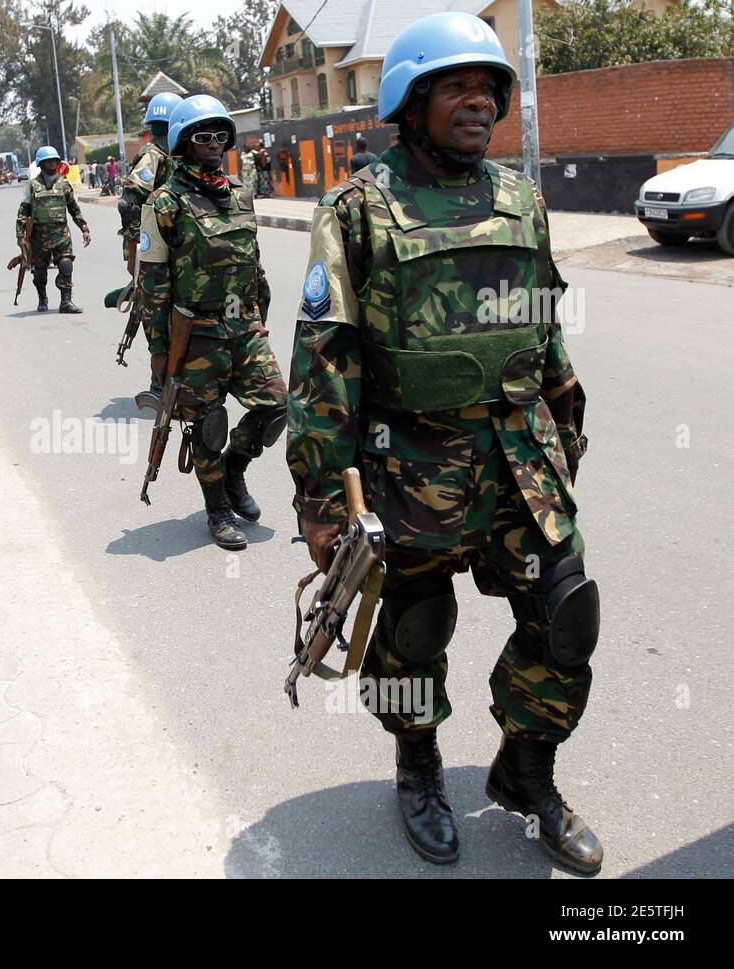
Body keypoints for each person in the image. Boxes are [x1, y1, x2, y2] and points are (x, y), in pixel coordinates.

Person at [288, 12, 602, 874]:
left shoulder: (519, 198)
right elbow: (324, 361)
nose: (478, 101)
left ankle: (526, 769)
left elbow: (545, 329)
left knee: (567, 616)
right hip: (408, 473)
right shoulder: (358, 210)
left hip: (518, 463)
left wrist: (565, 428)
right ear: (412, 99)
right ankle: (417, 763)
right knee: (414, 631)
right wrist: (322, 499)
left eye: (489, 87)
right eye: (457, 86)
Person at [137, 95, 288, 551]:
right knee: (207, 425)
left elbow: (253, 263)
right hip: (196, 334)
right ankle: (217, 507)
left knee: (276, 405)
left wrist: (260, 315)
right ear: (184, 142)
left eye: (220, 134)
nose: (213, 143)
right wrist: (161, 353)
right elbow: (153, 285)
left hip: (244, 327)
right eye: (202, 136)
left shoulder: (241, 191)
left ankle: (234, 469)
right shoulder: (165, 202)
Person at [117, 91, 182, 404]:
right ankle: (158, 385)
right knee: (157, 318)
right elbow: (128, 202)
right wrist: (142, 242)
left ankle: (171, 380)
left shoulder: (170, 155)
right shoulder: (153, 156)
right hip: (154, 254)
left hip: (170, 252)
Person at [17, 145, 91, 313]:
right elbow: (23, 211)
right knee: (40, 273)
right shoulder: (32, 185)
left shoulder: (64, 185)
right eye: (48, 161)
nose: (52, 164)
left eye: (54, 161)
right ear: (41, 164)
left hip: (61, 235)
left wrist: (84, 228)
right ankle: (42, 297)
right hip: (38, 236)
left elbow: (74, 208)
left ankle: (66, 301)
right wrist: (20, 236)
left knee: (66, 264)